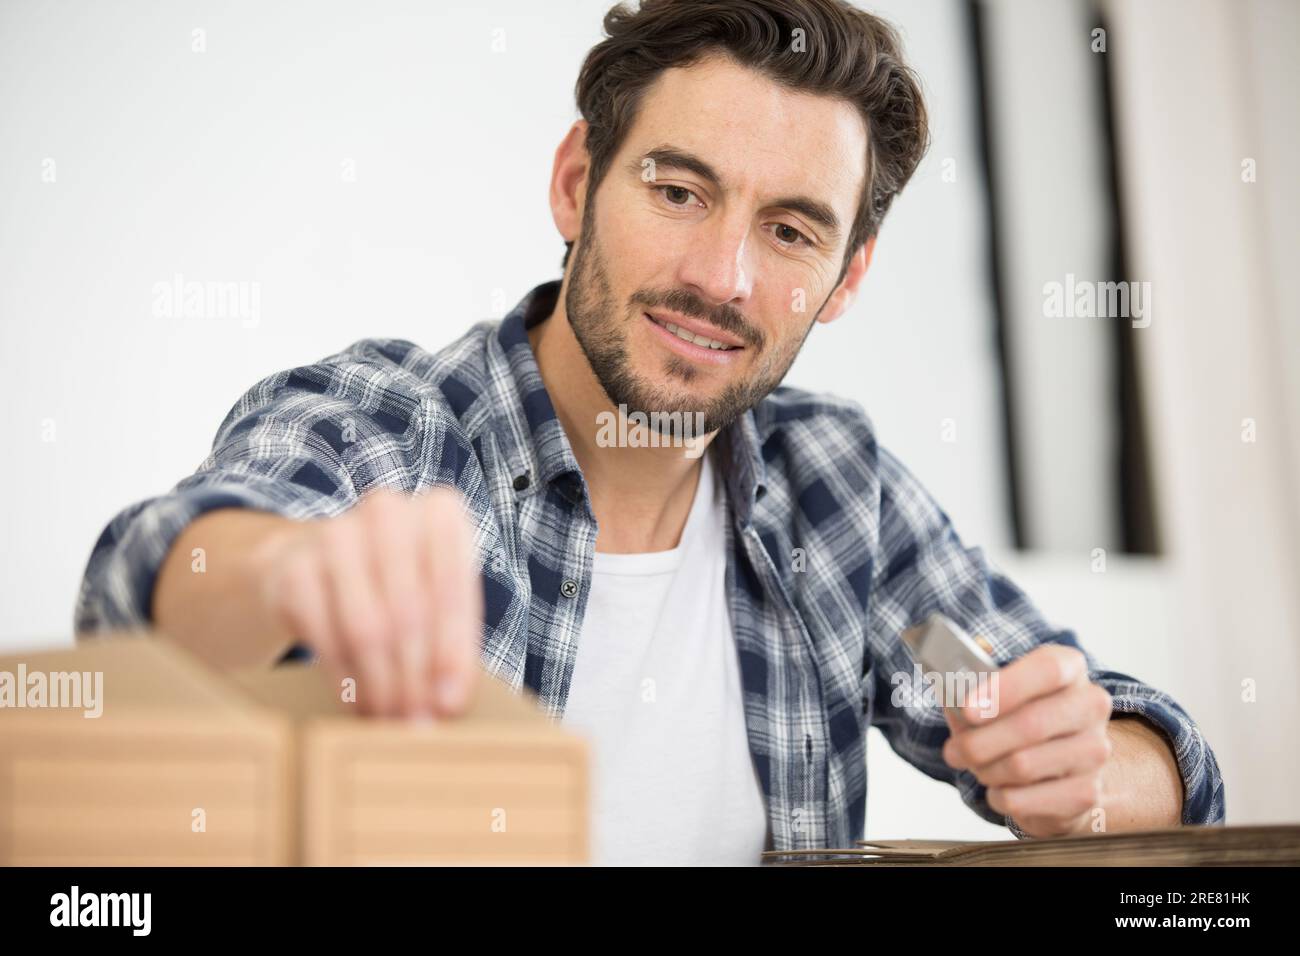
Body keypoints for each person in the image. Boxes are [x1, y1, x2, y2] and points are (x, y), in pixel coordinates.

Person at [76, 0, 1223, 864]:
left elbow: (1115, 739)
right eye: (679, 191)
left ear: (845, 275)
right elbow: (146, 583)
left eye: (787, 230)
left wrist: (1084, 771)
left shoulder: (835, 493)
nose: (719, 277)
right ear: (578, 182)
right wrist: (290, 572)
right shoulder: (395, 430)